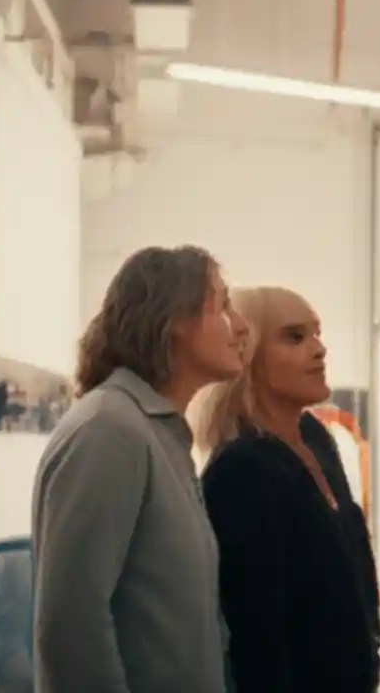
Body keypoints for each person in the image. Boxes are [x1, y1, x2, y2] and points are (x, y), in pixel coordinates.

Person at [32, 245, 248, 693]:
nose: (241, 326)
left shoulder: (159, 434)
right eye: (222, 305)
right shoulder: (110, 431)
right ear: (174, 322)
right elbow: (71, 624)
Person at [194, 286, 380, 693]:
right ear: (248, 355)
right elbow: (256, 636)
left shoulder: (315, 437)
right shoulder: (241, 471)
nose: (319, 349)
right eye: (295, 337)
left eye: (317, 334)